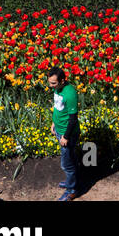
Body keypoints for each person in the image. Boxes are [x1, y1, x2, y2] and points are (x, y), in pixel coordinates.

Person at [48, 67, 79, 201]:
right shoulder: (58, 88)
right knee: (69, 158)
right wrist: (54, 122)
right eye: (49, 82)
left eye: (53, 83)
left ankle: (71, 190)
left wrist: (65, 136)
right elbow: (58, 107)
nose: (51, 86)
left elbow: (73, 119)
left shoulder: (70, 94)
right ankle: (70, 181)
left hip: (68, 134)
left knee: (67, 164)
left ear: (62, 80)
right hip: (59, 128)